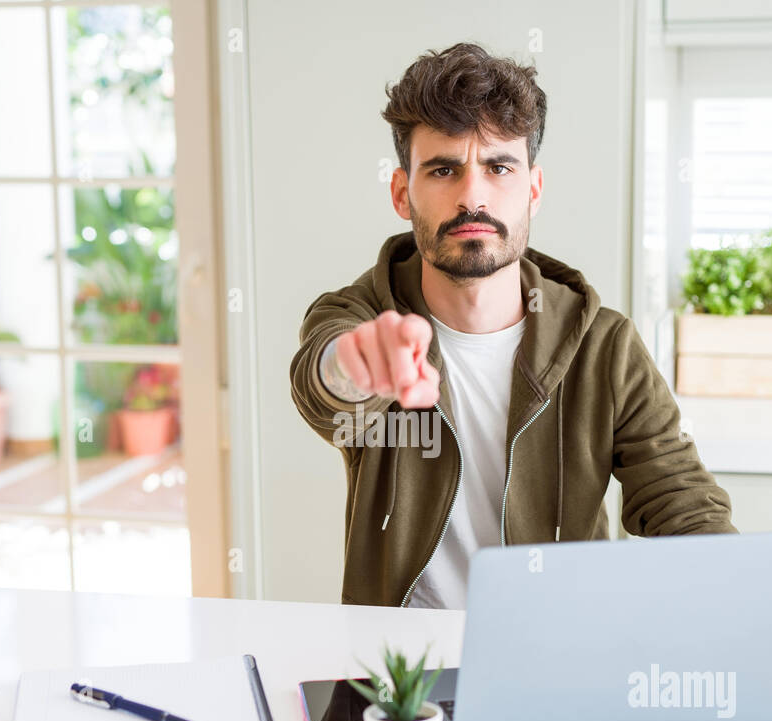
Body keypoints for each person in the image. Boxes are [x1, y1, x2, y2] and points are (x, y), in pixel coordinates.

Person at [290, 42, 736, 610]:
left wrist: (733, 594)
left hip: (557, 659)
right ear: (404, 193)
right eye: (444, 169)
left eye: (499, 167)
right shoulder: (359, 318)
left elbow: (681, 503)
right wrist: (354, 368)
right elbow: (324, 387)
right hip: (400, 672)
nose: (472, 195)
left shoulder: (605, 345)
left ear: (533, 188)